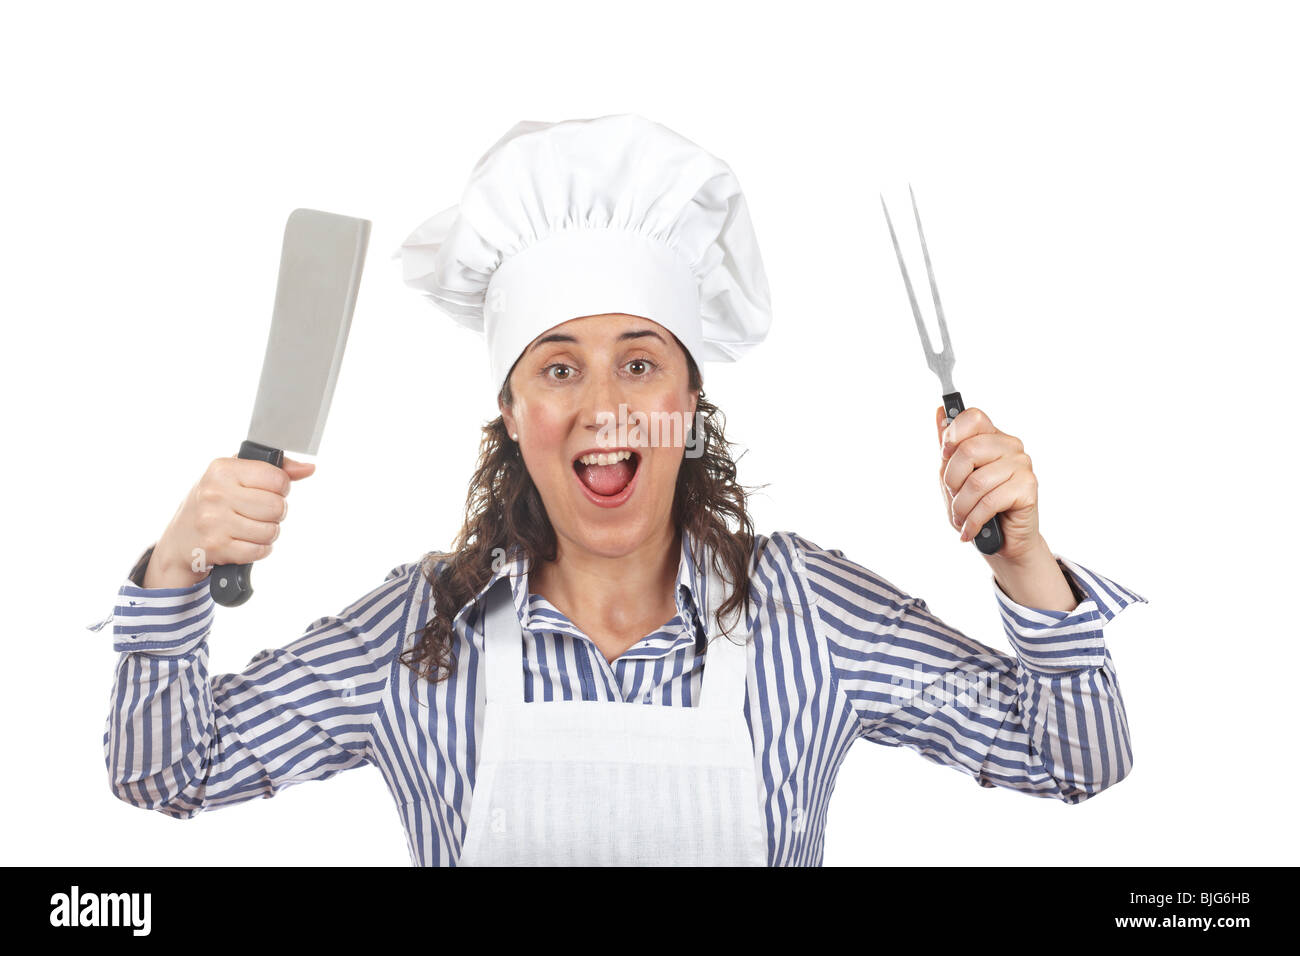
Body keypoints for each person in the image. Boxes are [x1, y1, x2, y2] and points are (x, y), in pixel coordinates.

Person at [95, 113, 1148, 866]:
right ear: (512, 412)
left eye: (640, 360)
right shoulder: (419, 633)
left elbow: (1076, 758)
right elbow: (167, 771)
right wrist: (178, 565)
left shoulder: (811, 616)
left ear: (689, 398)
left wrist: (1022, 563)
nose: (602, 404)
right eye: (558, 366)